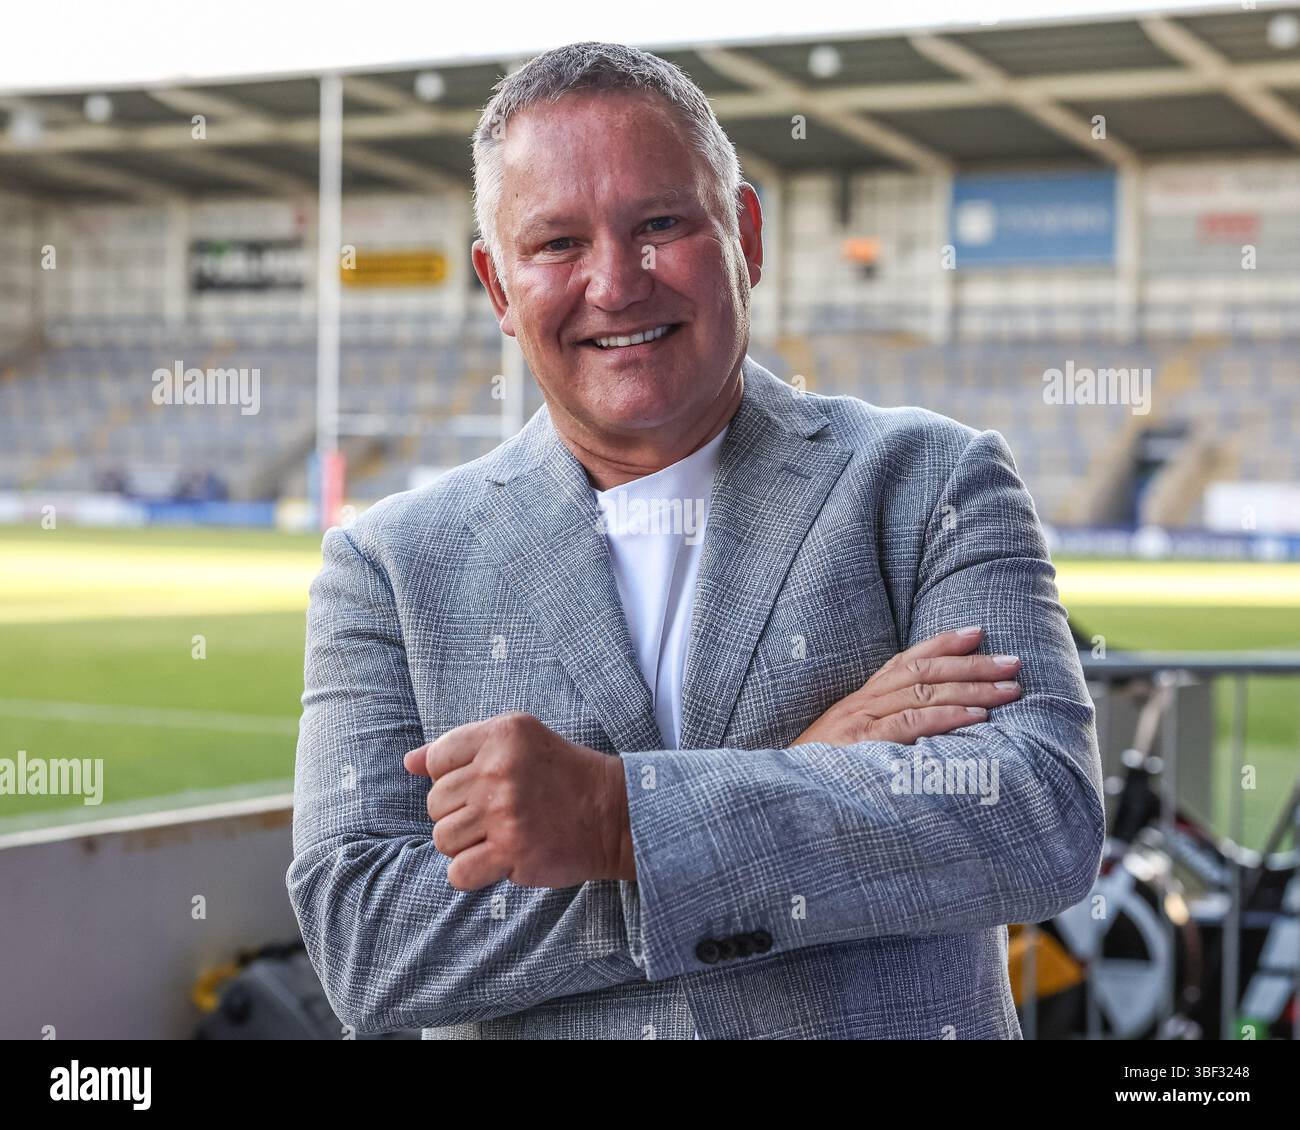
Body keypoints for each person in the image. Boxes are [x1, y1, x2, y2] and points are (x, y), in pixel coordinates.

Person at [287, 41, 1105, 1040]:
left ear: (745, 235)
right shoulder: (389, 566)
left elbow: (1037, 817)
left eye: (660, 223)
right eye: (556, 244)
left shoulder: (929, 480)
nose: (616, 282)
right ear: (498, 288)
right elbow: (367, 945)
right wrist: (786, 777)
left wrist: (615, 820)